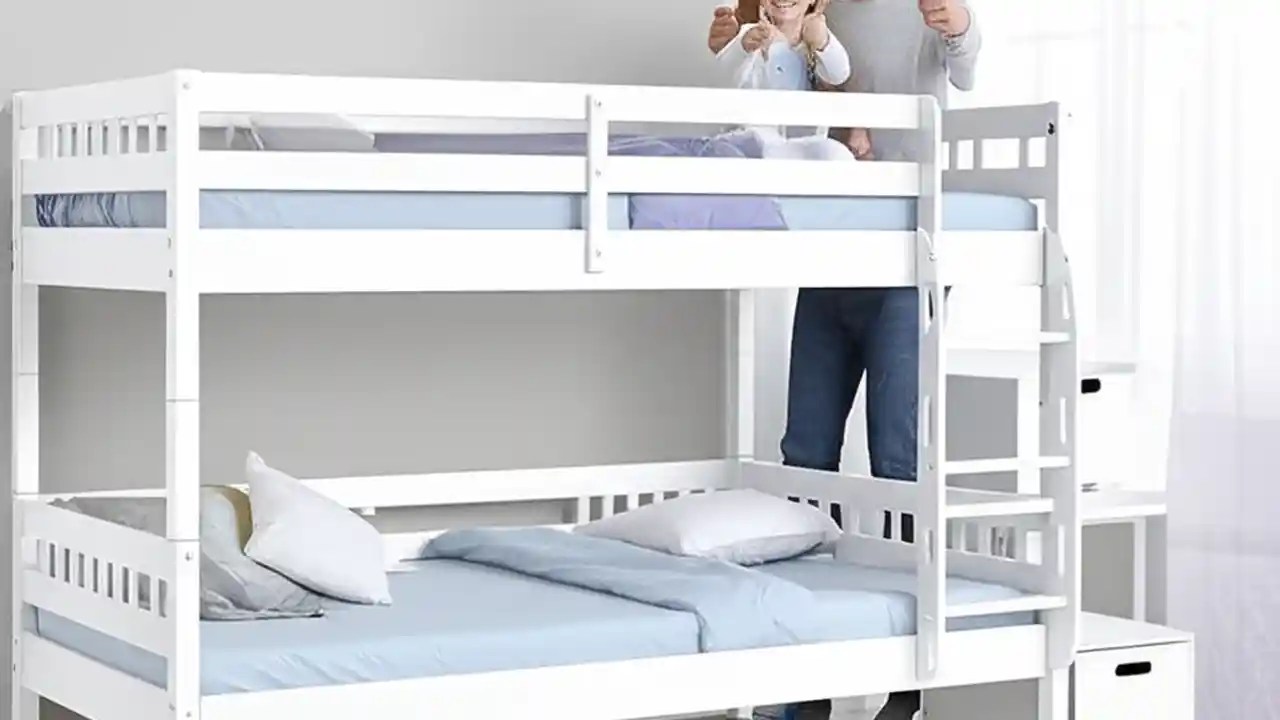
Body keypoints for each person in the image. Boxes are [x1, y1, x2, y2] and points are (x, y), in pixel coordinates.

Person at [708, 2, 982, 720]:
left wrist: (958, 27)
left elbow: (968, 69)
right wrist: (754, 42)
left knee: (896, 460)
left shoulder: (927, 9)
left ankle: (908, 679)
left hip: (904, 248)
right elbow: (795, 93)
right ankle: (807, 671)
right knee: (804, 456)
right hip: (833, 244)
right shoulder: (825, 7)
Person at [714, 0, 855, 162]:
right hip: (753, 145)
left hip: (803, 149)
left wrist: (824, 44)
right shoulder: (750, 34)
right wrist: (742, 48)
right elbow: (725, 76)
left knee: (837, 155)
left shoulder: (817, 35)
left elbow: (839, 74)